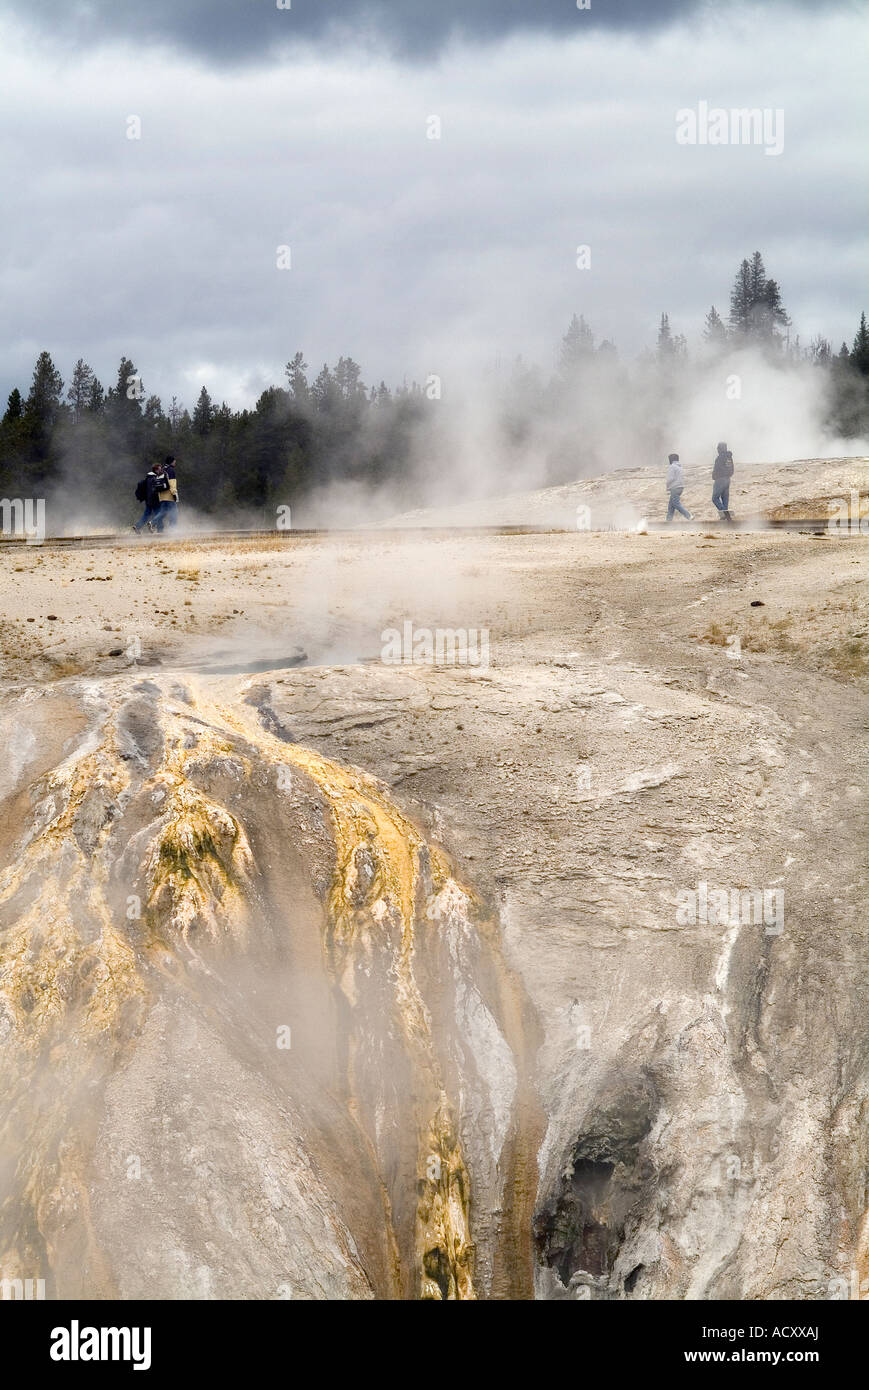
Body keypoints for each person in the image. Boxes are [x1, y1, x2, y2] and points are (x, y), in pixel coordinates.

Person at [132, 460, 166, 533]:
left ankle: (137, 526)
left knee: (146, 515)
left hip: (148, 500)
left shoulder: (148, 478)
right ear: (156, 470)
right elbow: (153, 490)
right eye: (160, 469)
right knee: (158, 514)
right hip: (154, 501)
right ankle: (160, 530)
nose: (161, 470)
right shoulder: (153, 478)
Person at [153, 455, 179, 531]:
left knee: (163, 512)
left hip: (161, 495)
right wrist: (175, 494)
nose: (175, 462)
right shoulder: (171, 470)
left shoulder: (163, 469)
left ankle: (152, 523)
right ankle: (173, 529)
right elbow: (172, 483)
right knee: (174, 512)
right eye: (174, 461)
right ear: (171, 461)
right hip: (169, 495)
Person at [665, 452, 692, 521]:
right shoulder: (680, 467)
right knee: (671, 505)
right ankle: (668, 520)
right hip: (680, 487)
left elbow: (670, 478)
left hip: (675, 487)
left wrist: (667, 486)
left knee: (676, 504)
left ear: (671, 460)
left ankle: (689, 516)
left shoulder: (672, 467)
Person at [712, 442, 734, 521]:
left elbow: (717, 469)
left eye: (718, 448)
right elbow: (732, 469)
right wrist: (728, 475)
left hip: (720, 480)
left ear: (721, 448)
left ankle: (725, 514)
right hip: (728, 480)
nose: (717, 449)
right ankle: (727, 520)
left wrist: (714, 476)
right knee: (725, 499)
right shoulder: (729, 457)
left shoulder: (720, 457)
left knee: (714, 498)